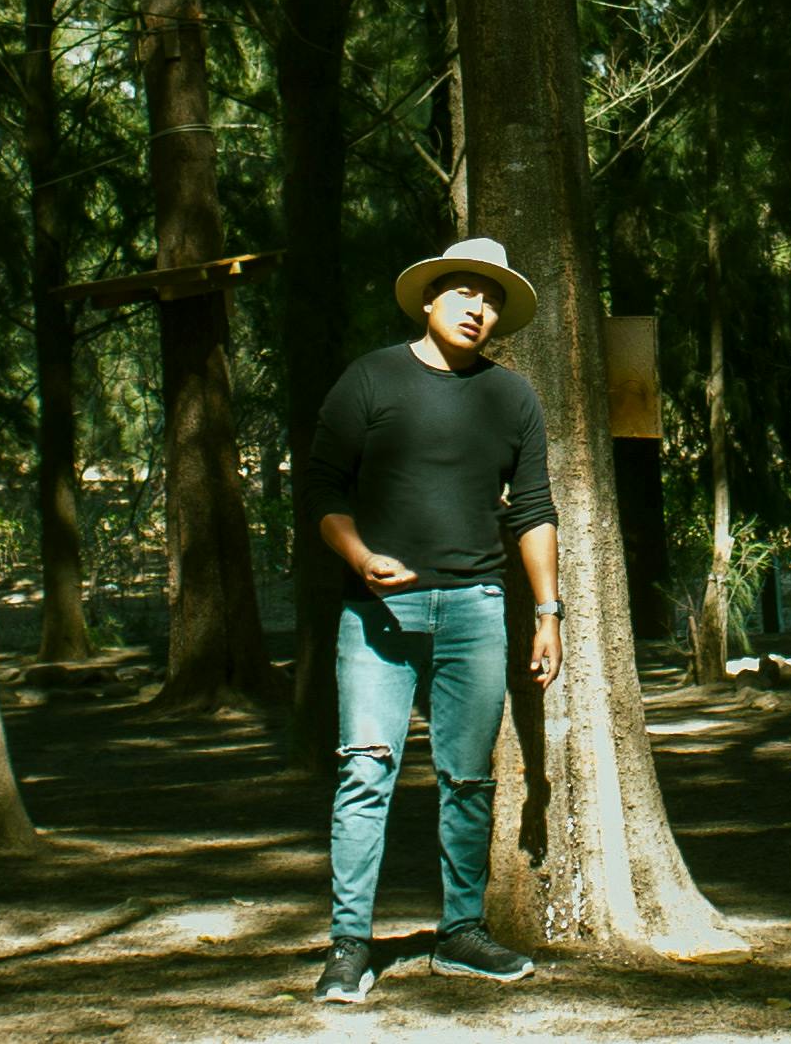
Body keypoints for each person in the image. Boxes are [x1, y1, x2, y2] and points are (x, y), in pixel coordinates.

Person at [302, 233, 562, 1004]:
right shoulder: (370, 379)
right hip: (376, 613)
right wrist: (358, 558)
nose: (477, 308)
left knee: (469, 777)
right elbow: (321, 489)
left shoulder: (512, 398)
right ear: (428, 299)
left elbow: (536, 511)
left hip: (478, 610)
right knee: (365, 771)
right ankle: (349, 945)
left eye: (490, 299)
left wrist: (546, 612)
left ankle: (460, 933)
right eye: (463, 292)